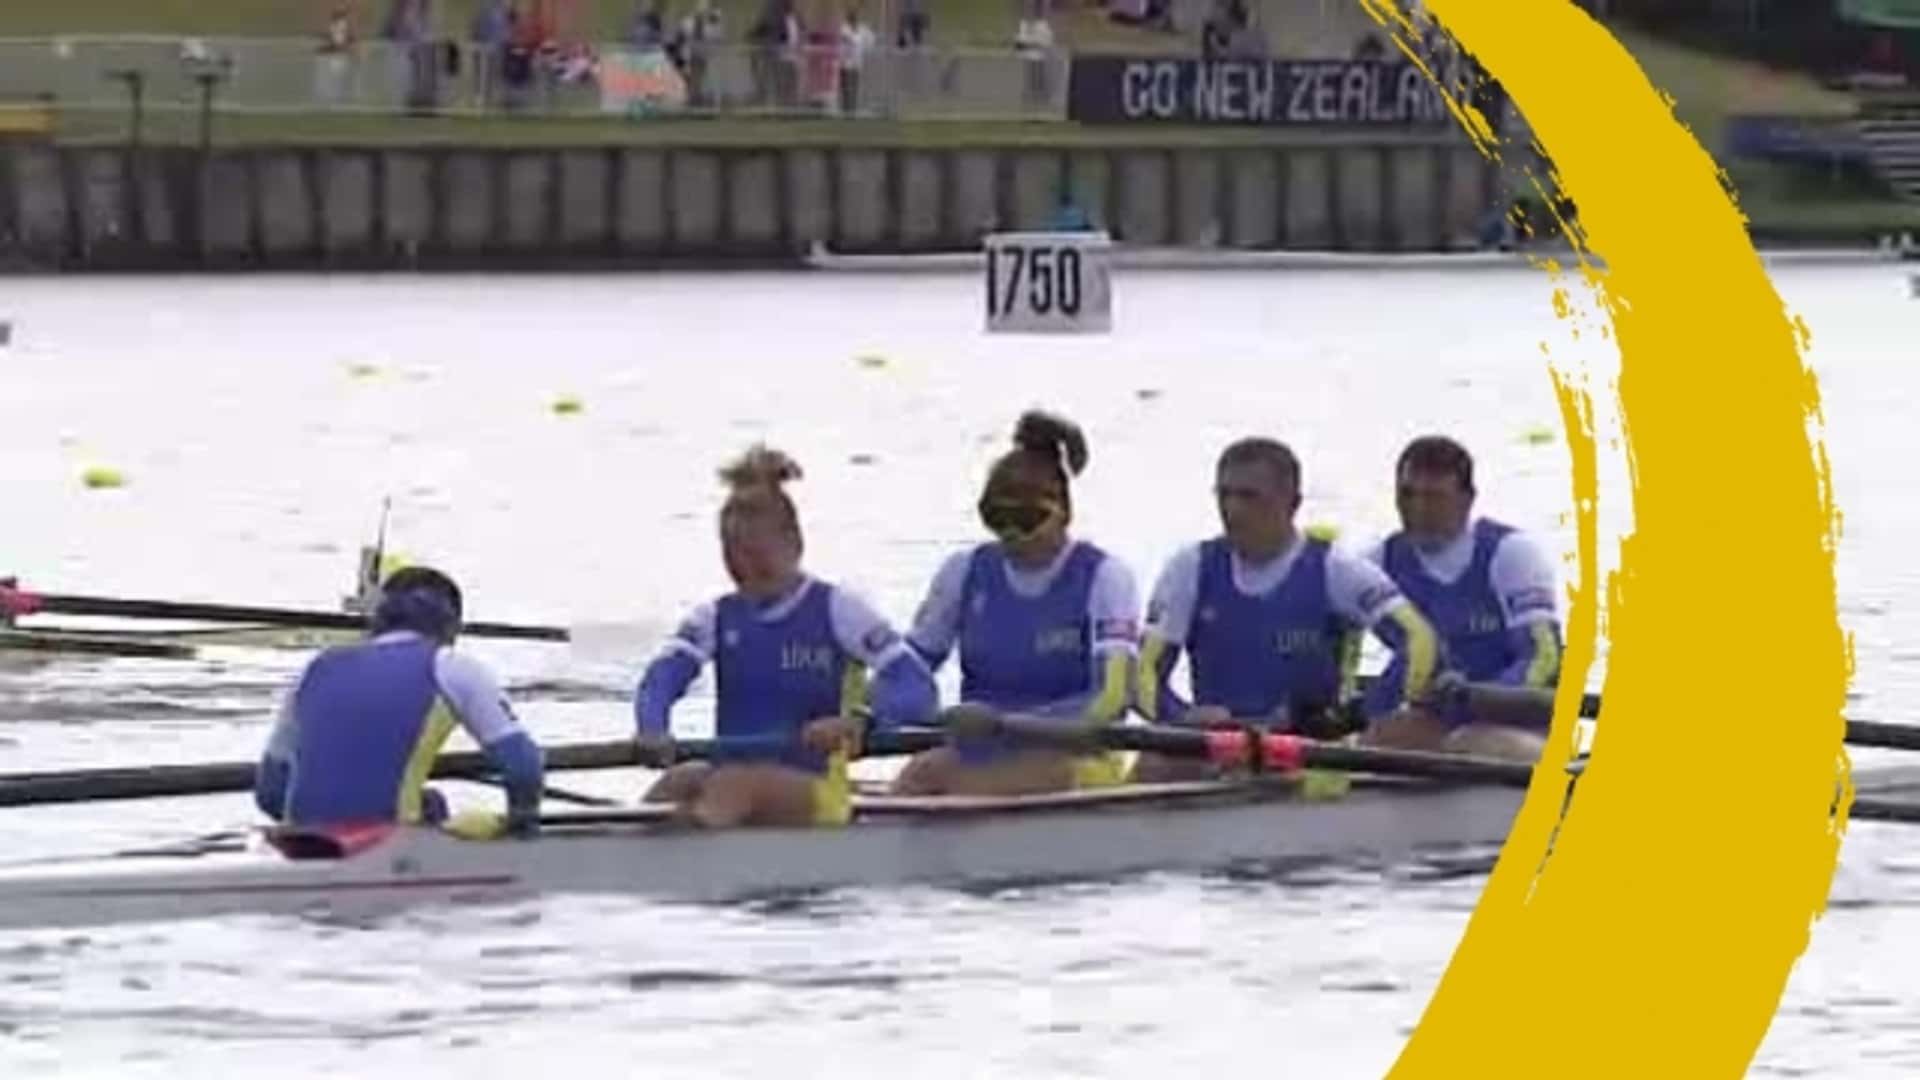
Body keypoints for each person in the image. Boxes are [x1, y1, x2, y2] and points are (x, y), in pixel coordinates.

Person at [635, 445, 937, 828]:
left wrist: (862, 723)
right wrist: (653, 727)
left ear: (794, 543)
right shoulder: (715, 617)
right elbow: (660, 680)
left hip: (819, 792)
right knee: (683, 777)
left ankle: (689, 851)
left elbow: (918, 686)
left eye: (756, 555)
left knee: (736, 783)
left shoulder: (839, 609)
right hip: (735, 786)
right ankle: (621, 847)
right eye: (732, 555)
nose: (744, 568)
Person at [1131, 438, 1441, 783]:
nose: (1232, 509)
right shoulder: (1190, 568)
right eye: (1224, 495)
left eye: (1249, 497)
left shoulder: (1336, 569)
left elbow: (1421, 642)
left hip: (1307, 750)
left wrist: (1358, 716)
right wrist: (1180, 716)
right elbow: (1141, 673)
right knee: (1153, 764)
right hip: (1223, 745)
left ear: (1292, 503)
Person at [891, 411, 1140, 796]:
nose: (1010, 534)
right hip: (980, 749)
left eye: (1026, 520)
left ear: (1062, 512)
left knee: (933, 777)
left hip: (1077, 755)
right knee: (923, 773)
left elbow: (1112, 697)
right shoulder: (964, 572)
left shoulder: (1105, 577)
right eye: (996, 518)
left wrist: (1008, 723)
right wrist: (868, 714)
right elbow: (908, 668)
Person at [254, 566, 545, 833]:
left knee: (431, 803)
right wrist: (522, 826)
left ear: (377, 621)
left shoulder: (316, 669)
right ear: (453, 626)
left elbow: (270, 793)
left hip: (302, 845)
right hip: (391, 849)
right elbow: (523, 767)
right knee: (435, 810)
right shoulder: (451, 666)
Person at [1364, 435, 1563, 760]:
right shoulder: (1377, 562)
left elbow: (1543, 657)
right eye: (1407, 495)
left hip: (1514, 722)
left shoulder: (1512, 554)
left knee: (1469, 741)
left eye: (1434, 498)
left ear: (1467, 499)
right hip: (1427, 722)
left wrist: (1478, 699)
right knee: (1388, 733)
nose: (1418, 509)